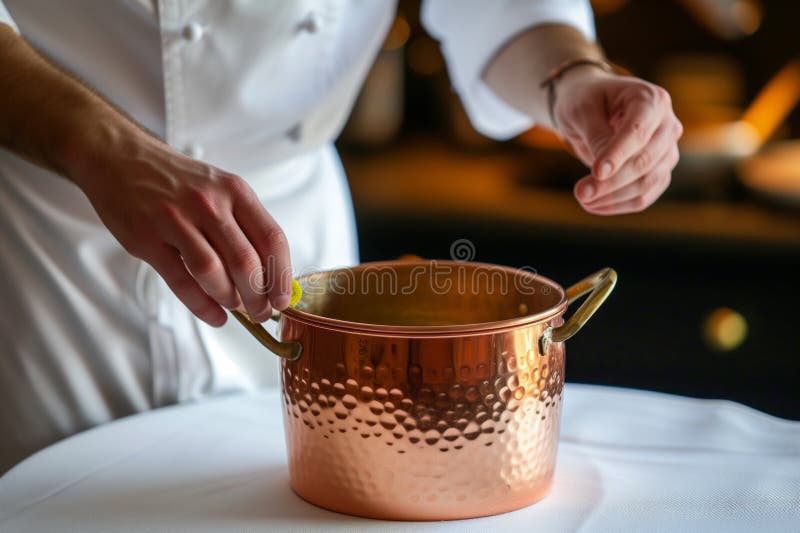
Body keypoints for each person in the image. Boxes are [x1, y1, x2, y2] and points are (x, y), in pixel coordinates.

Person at [0, 0, 682, 474]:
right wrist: (101, 149)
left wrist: (572, 78)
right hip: (51, 251)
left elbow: (505, 10)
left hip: (293, 256)